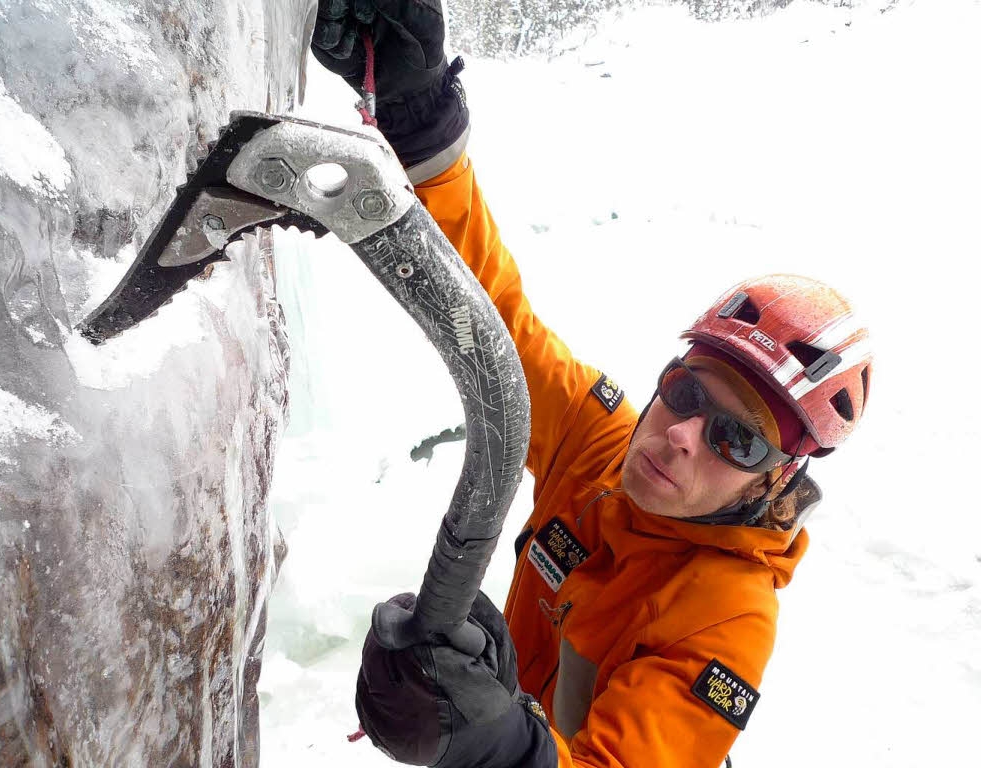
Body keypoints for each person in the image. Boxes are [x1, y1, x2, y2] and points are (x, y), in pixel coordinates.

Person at [312, 2, 872, 766]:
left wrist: (498, 744)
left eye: (735, 440)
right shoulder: (602, 444)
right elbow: (494, 318)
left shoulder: (726, 616)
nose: (681, 436)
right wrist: (419, 117)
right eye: (687, 392)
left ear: (772, 481)